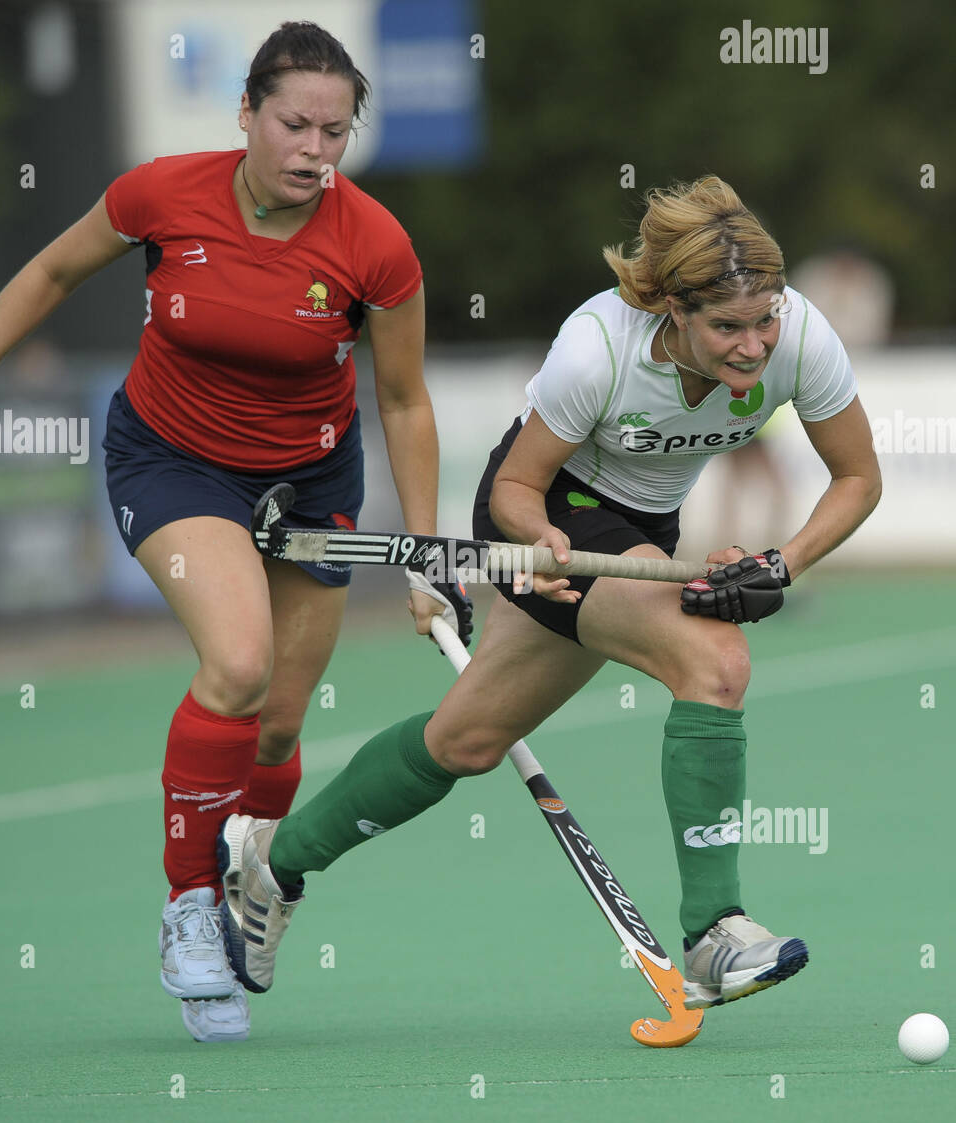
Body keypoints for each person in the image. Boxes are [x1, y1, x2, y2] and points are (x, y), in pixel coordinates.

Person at [0, 22, 470, 1043]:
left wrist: (424, 553)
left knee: (282, 725)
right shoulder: (161, 193)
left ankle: (249, 880)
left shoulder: (375, 244)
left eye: (334, 132)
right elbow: (49, 274)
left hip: (309, 481)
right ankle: (188, 907)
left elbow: (406, 400)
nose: (312, 149)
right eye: (293, 123)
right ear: (246, 114)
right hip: (173, 460)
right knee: (239, 665)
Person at [216, 175, 882, 1026]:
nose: (753, 347)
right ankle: (715, 933)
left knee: (465, 739)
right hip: (545, 509)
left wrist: (782, 564)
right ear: (674, 309)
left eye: (765, 321)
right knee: (715, 660)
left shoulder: (802, 339)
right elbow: (517, 486)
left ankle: (271, 859)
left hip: (640, 526)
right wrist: (538, 545)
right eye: (727, 327)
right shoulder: (598, 347)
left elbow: (859, 476)